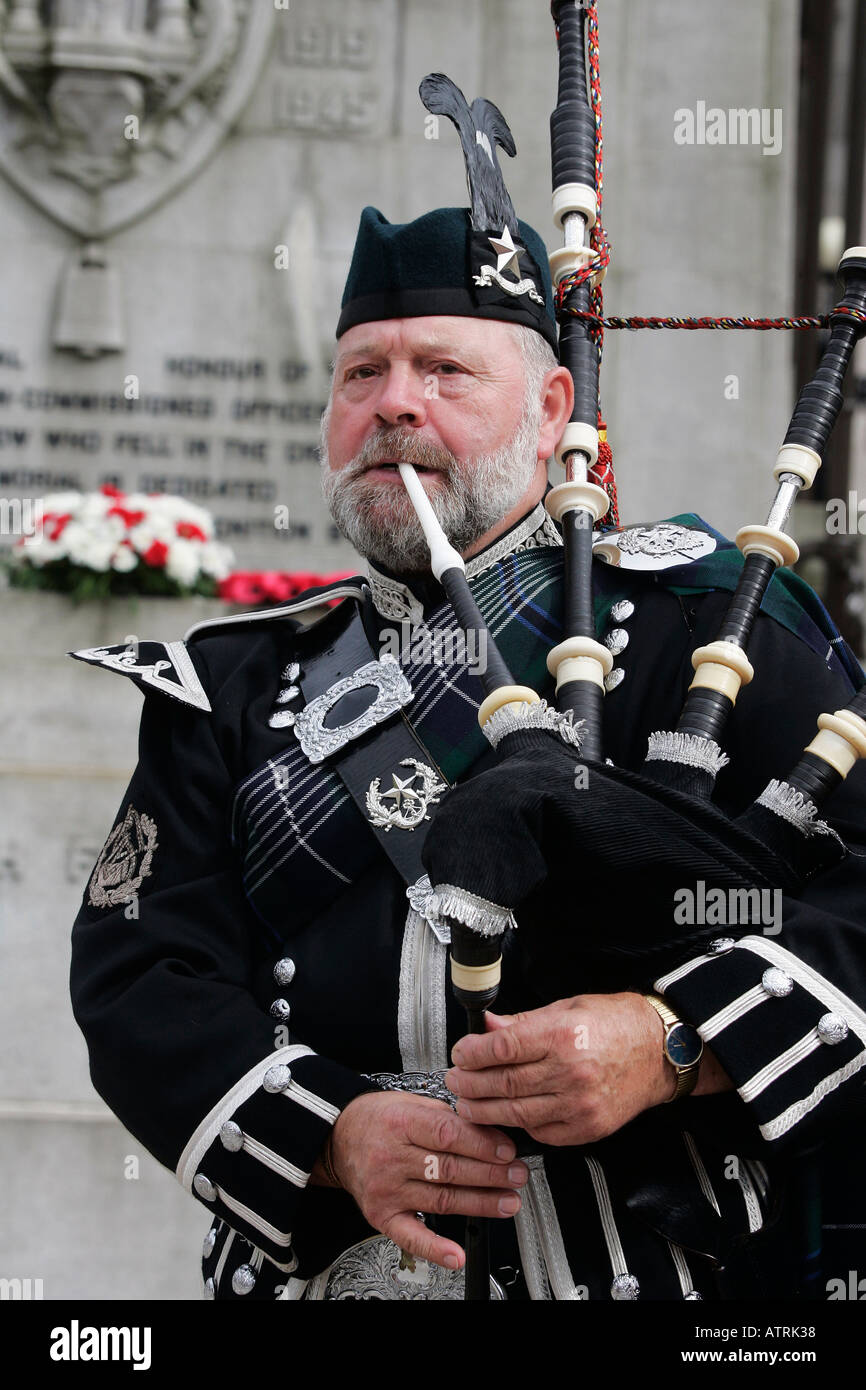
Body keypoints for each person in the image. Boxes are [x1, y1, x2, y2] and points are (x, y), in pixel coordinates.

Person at [70, 79, 866, 1301]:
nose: (394, 402)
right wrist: (332, 1135)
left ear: (552, 411)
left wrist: (672, 1044)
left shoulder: (711, 621)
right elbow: (142, 975)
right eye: (361, 374)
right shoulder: (231, 685)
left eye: (443, 368)